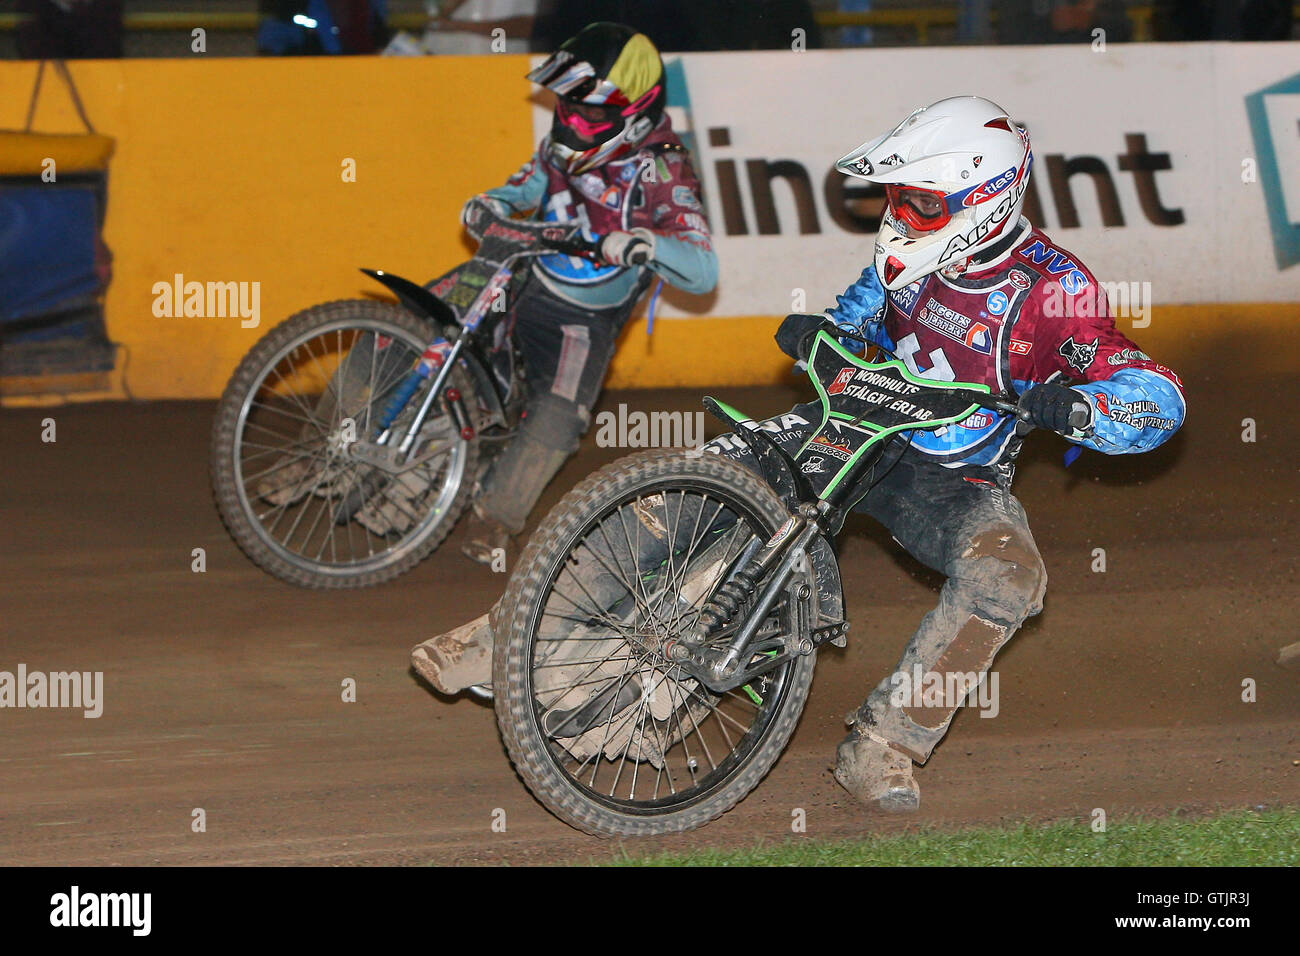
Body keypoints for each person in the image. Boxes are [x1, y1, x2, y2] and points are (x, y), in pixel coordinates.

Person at [414, 97, 1185, 819]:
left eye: (920, 203)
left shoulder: (1053, 291)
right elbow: (858, 311)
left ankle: (884, 745)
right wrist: (825, 331)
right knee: (693, 480)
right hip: (848, 423)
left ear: (984, 201)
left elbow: (1156, 394)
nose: (900, 216)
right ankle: (500, 634)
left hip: (952, 475)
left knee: (1009, 576)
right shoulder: (906, 255)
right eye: (896, 199)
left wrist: (1089, 409)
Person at [450, 21, 717, 563]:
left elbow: (704, 271)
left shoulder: (665, 168)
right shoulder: (556, 150)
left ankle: (494, 518)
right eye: (568, 106)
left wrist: (645, 243)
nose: (572, 122)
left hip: (580, 319)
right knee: (422, 320)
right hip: (515, 272)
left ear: (634, 114)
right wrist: (490, 203)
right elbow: (520, 189)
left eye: (589, 113)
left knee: (558, 416)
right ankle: (340, 438)